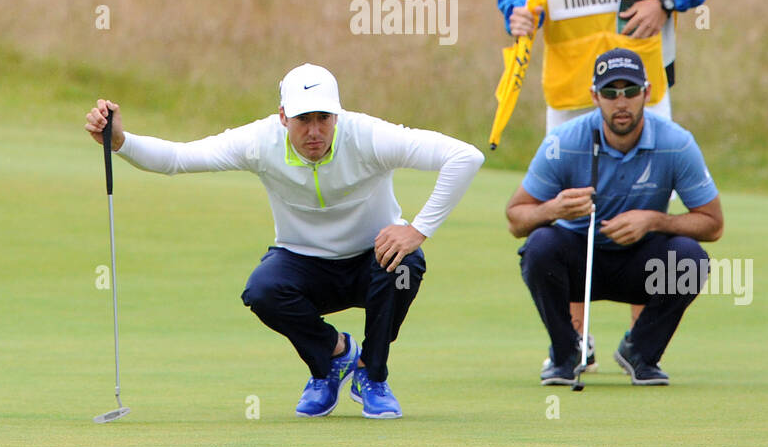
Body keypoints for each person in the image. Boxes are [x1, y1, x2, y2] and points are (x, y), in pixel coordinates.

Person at [83, 63, 483, 419]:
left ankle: (373, 377)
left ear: (337, 115)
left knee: (405, 268)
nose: (314, 131)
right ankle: (334, 357)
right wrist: (121, 141)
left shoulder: (369, 136)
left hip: (372, 261)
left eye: (323, 118)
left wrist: (416, 231)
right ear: (282, 117)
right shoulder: (260, 142)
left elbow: (465, 157)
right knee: (262, 290)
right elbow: (178, 159)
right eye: (302, 119)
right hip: (303, 263)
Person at [497, 0, 719, 369]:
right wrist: (519, 16)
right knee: (570, 218)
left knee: (645, 216)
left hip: (640, 85)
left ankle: (640, 348)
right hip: (570, 88)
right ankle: (574, 346)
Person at [505, 49, 723, 385]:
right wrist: (554, 209)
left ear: (647, 93)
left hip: (642, 263)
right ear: (595, 96)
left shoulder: (676, 143)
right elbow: (516, 218)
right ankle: (566, 354)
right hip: (580, 260)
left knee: (690, 257)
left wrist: (653, 220)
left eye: (630, 91)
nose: (621, 103)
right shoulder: (564, 142)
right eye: (610, 92)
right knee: (540, 246)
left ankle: (641, 352)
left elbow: (712, 223)